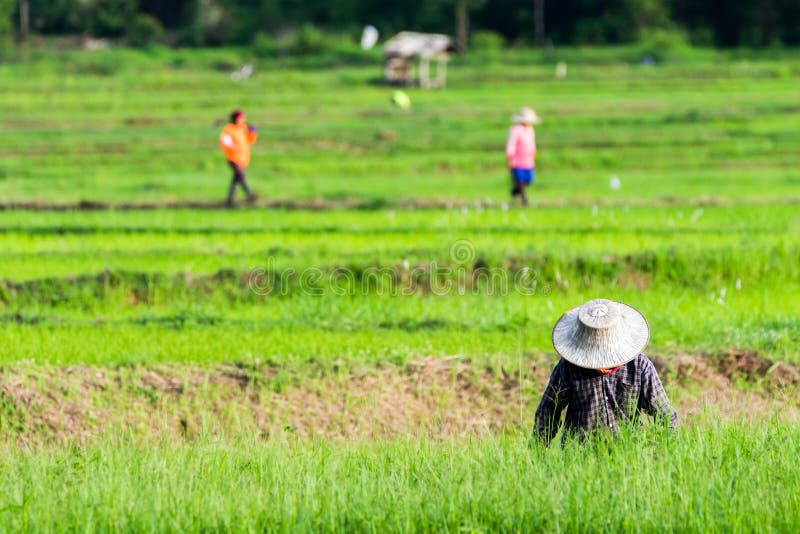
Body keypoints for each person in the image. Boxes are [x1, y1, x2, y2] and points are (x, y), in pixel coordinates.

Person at [534, 298, 678, 445]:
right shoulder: (568, 368)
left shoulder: (640, 366)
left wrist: (664, 455)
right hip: (579, 455)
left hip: (628, 456)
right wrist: (537, 454)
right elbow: (547, 411)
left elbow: (666, 416)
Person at [219, 109, 258, 206]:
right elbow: (225, 141)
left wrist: (252, 132)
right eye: (241, 118)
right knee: (241, 175)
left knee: (236, 179)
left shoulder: (242, 128)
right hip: (233, 157)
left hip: (242, 158)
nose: (243, 120)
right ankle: (250, 195)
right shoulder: (229, 129)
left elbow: (249, 141)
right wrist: (233, 147)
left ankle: (230, 199)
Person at [506, 107, 540, 206]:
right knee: (520, 181)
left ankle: (515, 191)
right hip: (517, 160)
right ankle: (525, 200)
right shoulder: (515, 130)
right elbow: (511, 144)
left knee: (529, 180)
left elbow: (532, 144)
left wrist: (534, 154)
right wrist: (510, 158)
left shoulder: (530, 130)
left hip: (528, 160)